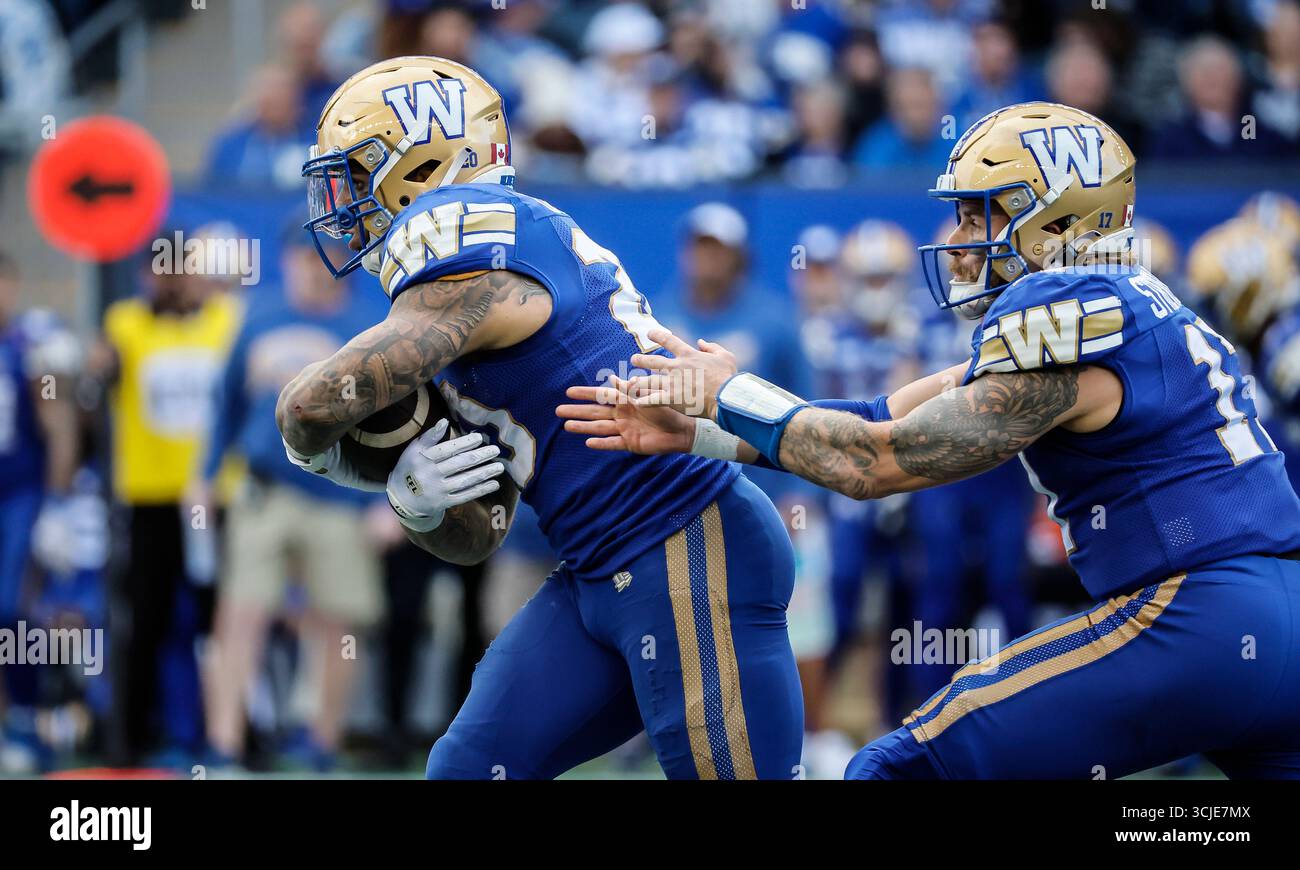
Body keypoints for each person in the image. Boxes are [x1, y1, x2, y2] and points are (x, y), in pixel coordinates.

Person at [559, 102, 1300, 779]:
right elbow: (878, 415)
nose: (961, 240)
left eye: (981, 216)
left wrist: (728, 391)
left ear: (1056, 220)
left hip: (1197, 615)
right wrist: (704, 430)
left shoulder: (1068, 306)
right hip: (1279, 617)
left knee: (896, 770)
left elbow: (879, 460)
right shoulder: (1132, 303)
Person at [276, 56, 802, 779]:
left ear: (425, 165)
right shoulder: (473, 279)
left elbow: (308, 405)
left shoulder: (468, 238)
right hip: (597, 564)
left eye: (361, 177)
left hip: (685, 540)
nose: (350, 203)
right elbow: (480, 537)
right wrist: (419, 499)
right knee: (464, 770)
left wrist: (324, 453)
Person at [196, 227, 389, 770]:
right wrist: (206, 476)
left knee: (338, 619)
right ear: (288, 260)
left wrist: (390, 502)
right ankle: (223, 742)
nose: (312, 269)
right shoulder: (258, 319)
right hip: (267, 489)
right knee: (241, 613)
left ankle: (321, 741)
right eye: (304, 258)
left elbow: (401, 422)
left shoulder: (370, 330)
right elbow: (224, 404)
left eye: (324, 259)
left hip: (343, 493)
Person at [0, 253, 80, 772]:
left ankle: (27, 718)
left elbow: (60, 428)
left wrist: (55, 504)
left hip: (19, 495)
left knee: (10, 608)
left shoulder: (26, 345)